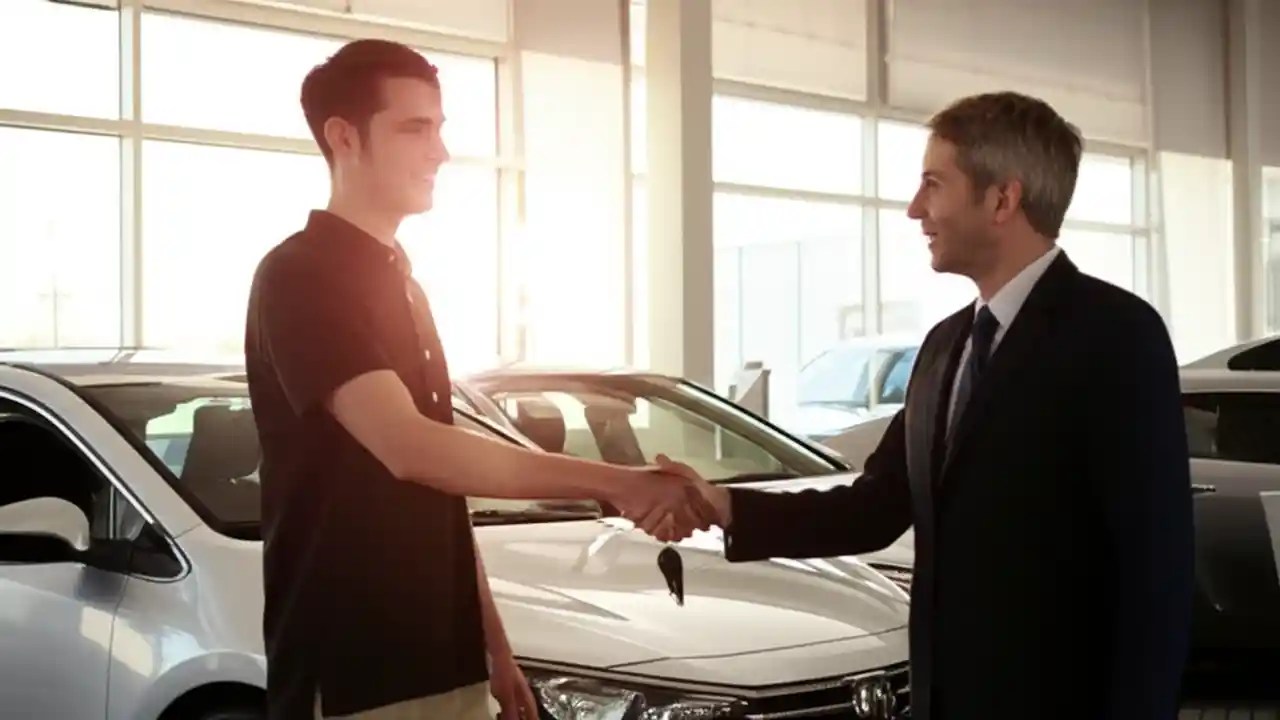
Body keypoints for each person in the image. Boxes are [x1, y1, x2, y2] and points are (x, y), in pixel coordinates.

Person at [680, 92, 1195, 719]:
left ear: (1002, 199)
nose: (914, 209)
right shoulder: (944, 346)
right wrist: (724, 505)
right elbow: (875, 506)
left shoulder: (1116, 336)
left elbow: (1154, 574)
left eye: (933, 184)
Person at [244, 39, 714, 720]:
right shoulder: (299, 276)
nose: (439, 151)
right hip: (353, 668)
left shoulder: (405, 285)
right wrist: (618, 482)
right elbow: (412, 450)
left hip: (448, 659)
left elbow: (446, 489)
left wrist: (495, 650)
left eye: (439, 128)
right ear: (343, 137)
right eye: (414, 128)